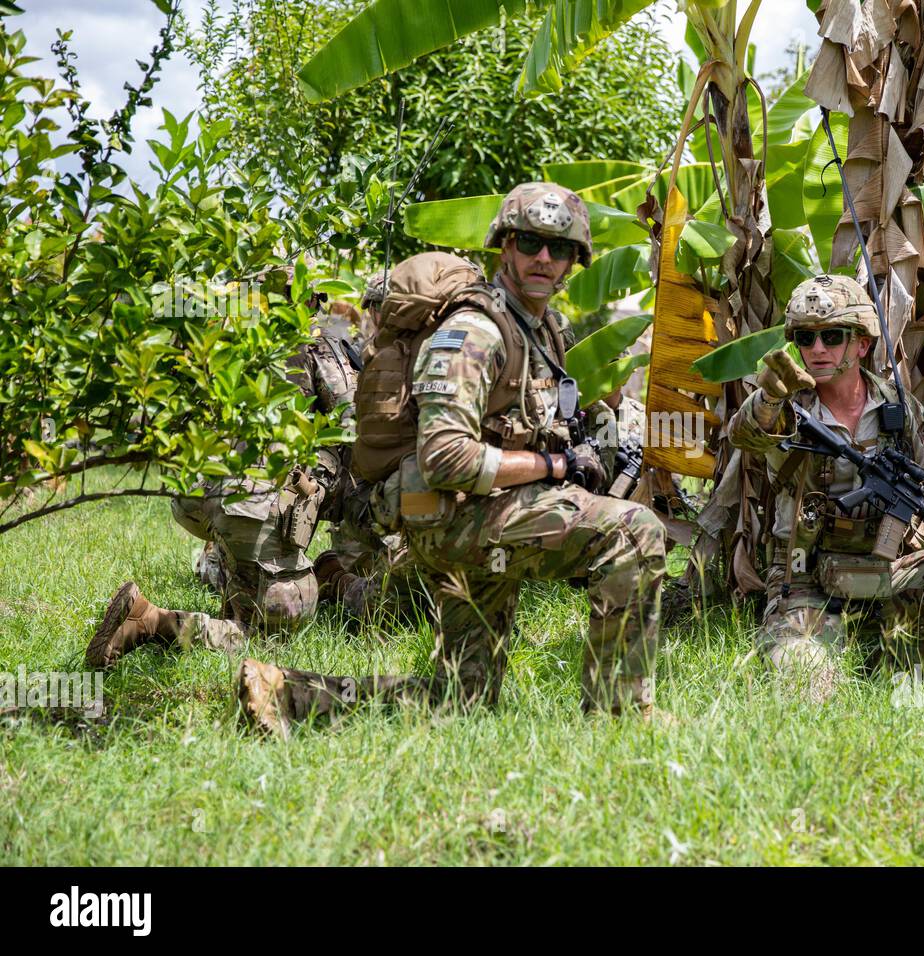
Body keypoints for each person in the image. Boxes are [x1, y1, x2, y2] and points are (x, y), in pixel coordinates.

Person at [237, 183, 668, 736]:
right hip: (452, 516)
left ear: (573, 262)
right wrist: (556, 469)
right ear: (504, 246)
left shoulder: (539, 331)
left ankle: (287, 693)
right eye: (531, 241)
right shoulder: (474, 333)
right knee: (632, 534)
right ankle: (620, 719)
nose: (544, 257)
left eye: (559, 248)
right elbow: (445, 456)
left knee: (460, 701)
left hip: (477, 513)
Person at [726, 274, 924, 697]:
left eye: (833, 336)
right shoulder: (788, 407)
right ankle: (827, 658)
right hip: (806, 587)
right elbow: (746, 435)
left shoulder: (895, 407)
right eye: (806, 338)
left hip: (888, 576)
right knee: (805, 687)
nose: (818, 349)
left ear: (862, 343)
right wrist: (768, 397)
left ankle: (890, 666)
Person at [86, 282, 359, 669]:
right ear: (308, 299)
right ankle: (147, 621)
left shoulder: (224, 331)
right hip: (255, 499)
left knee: (252, 556)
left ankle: (241, 577)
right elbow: (352, 423)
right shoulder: (313, 339)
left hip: (198, 492)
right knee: (271, 633)